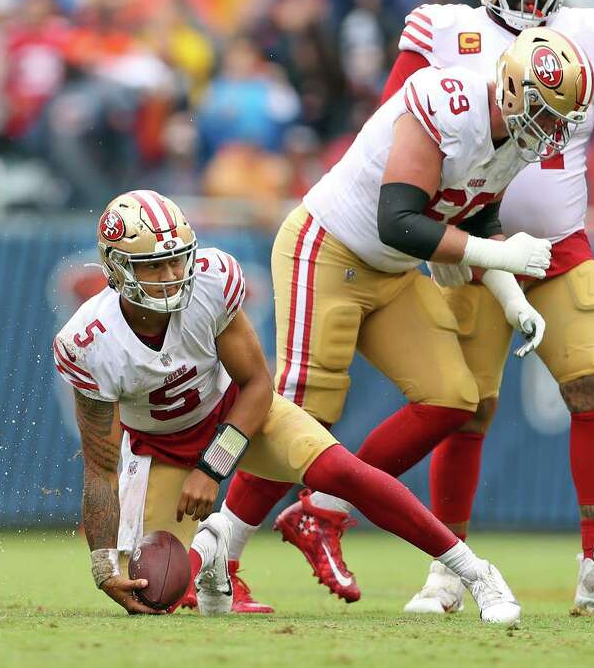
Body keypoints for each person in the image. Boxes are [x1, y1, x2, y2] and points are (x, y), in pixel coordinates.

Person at [219, 25, 590, 610]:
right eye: (545, 112)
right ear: (512, 88)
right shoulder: (449, 104)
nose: (551, 130)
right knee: (301, 413)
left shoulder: (516, 138)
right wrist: (499, 257)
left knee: (453, 397)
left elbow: (477, 215)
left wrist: (511, 298)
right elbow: (398, 221)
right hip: (330, 248)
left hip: (390, 273)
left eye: (561, 118)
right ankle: (219, 559)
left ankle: (322, 512)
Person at [377, 0, 594, 616]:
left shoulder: (592, 34)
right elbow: (390, 136)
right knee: (465, 409)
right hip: (476, 252)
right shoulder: (442, 30)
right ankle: (448, 567)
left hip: (561, 246)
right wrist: (428, 235)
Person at [56, 190, 523, 624]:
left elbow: (257, 384)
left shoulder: (211, 282)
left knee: (343, 473)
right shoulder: (89, 341)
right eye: (155, 267)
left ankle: (475, 571)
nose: (172, 276)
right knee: (156, 593)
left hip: (235, 414)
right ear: (116, 270)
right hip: (158, 449)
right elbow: (101, 468)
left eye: (177, 260)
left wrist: (212, 467)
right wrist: (103, 569)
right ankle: (211, 551)